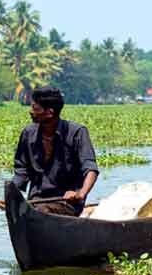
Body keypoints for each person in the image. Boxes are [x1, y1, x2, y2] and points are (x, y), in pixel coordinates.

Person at [10, 86, 99, 216]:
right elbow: (22, 171)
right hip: (36, 201)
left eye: (35, 108)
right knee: (23, 211)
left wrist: (80, 193)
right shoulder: (28, 133)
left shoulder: (77, 133)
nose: (31, 112)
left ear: (49, 112)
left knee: (40, 211)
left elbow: (90, 168)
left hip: (67, 202)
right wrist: (11, 195)